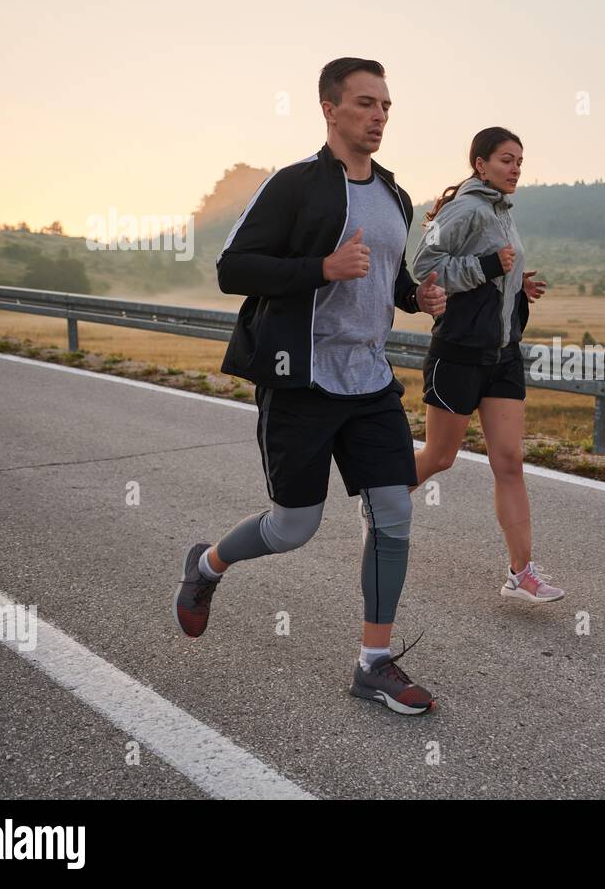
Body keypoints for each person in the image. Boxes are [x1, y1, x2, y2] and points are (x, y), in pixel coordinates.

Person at [174, 57, 447, 715]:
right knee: (294, 526)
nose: (379, 115)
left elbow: (387, 276)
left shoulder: (394, 194)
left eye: (385, 105)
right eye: (364, 104)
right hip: (302, 381)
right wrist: (320, 267)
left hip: (370, 384)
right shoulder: (295, 185)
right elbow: (234, 269)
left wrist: (418, 296)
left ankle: (373, 663)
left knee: (394, 512)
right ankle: (207, 565)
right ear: (329, 108)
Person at [409, 127, 562, 602]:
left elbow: (492, 273)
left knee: (509, 461)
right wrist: (491, 268)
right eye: (505, 160)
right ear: (480, 164)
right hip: (459, 352)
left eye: (519, 160)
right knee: (440, 457)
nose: (515, 168)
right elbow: (424, 268)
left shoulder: (501, 212)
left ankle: (522, 573)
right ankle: (381, 501)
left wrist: (517, 284)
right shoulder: (465, 210)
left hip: (503, 354)